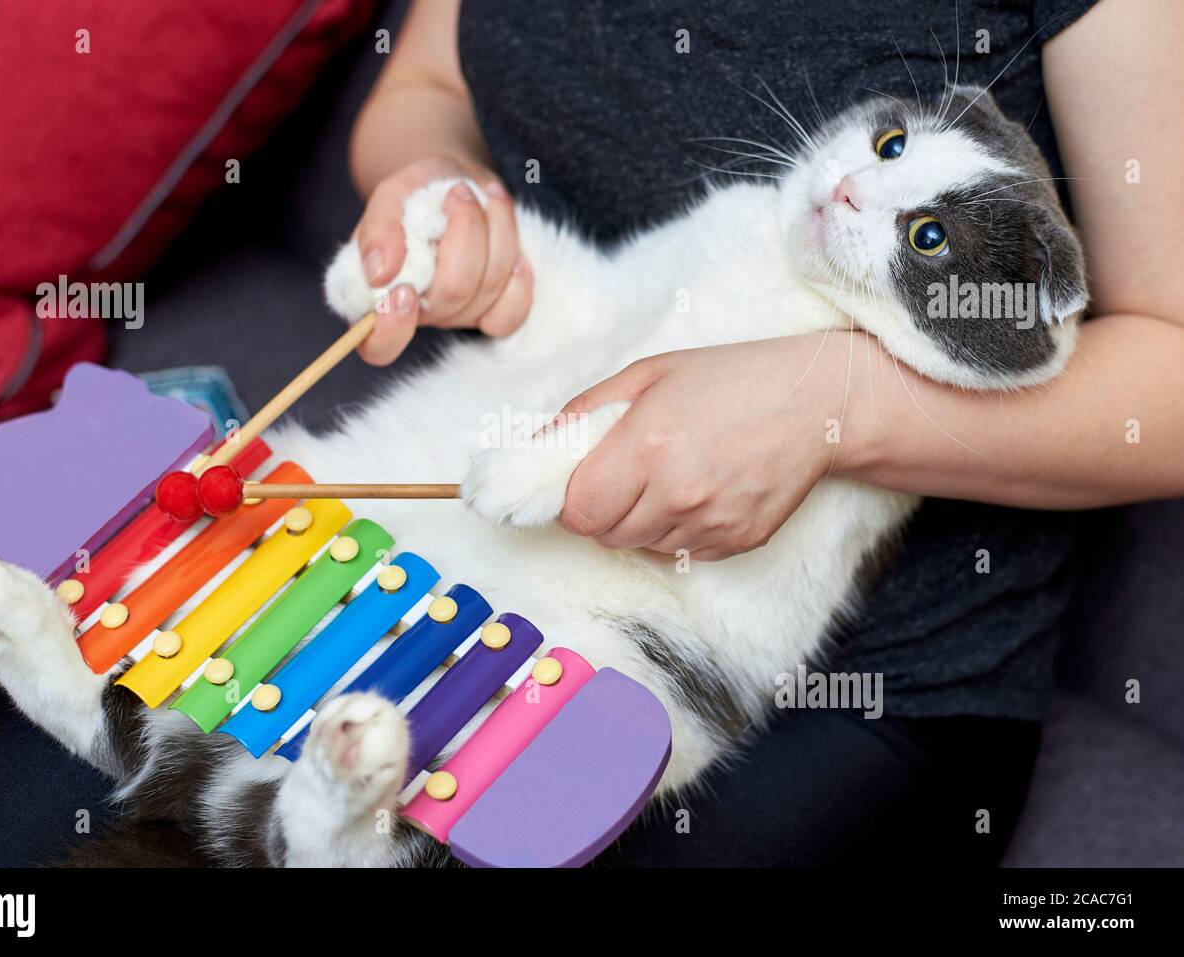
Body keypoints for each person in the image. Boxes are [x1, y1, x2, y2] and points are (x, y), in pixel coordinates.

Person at [338, 0, 1182, 865]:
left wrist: (832, 408)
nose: (857, 186)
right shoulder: (763, 208)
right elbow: (425, 86)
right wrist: (440, 187)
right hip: (490, 477)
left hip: (860, 683)